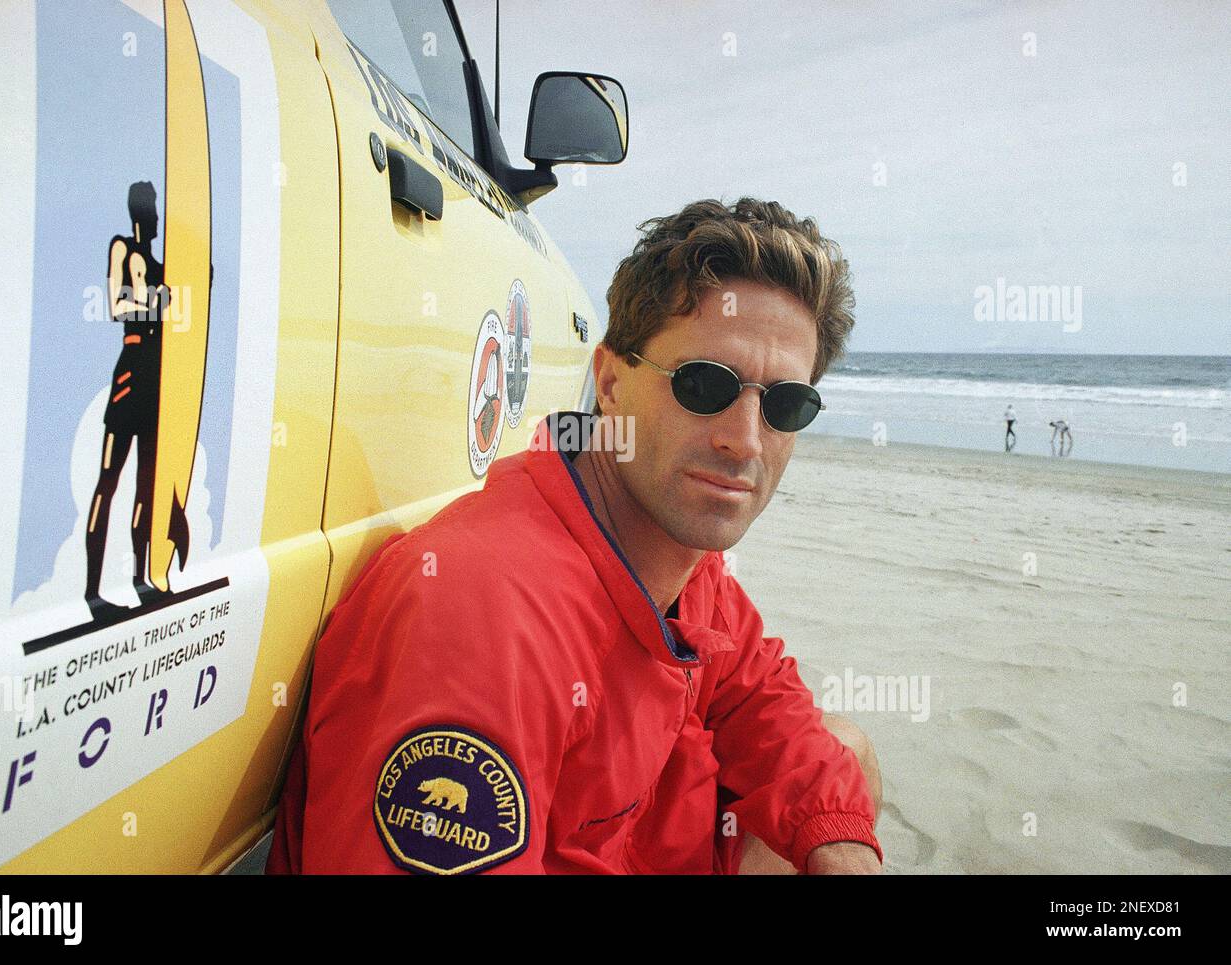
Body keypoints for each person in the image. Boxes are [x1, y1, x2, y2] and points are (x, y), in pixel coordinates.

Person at [266, 198, 884, 875]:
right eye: (704, 385)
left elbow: (759, 697)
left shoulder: (676, 552)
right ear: (611, 382)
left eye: (786, 403)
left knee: (844, 756)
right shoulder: (485, 619)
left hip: (643, 839)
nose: (744, 439)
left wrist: (841, 844)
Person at [85, 181, 171, 619]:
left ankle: (142, 579)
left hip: (157, 375)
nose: (155, 217)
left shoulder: (161, 263)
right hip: (131, 368)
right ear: (139, 211)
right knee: (109, 478)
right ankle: (92, 590)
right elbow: (118, 306)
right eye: (150, 208)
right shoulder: (123, 249)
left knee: (146, 484)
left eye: (156, 208)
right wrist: (161, 300)